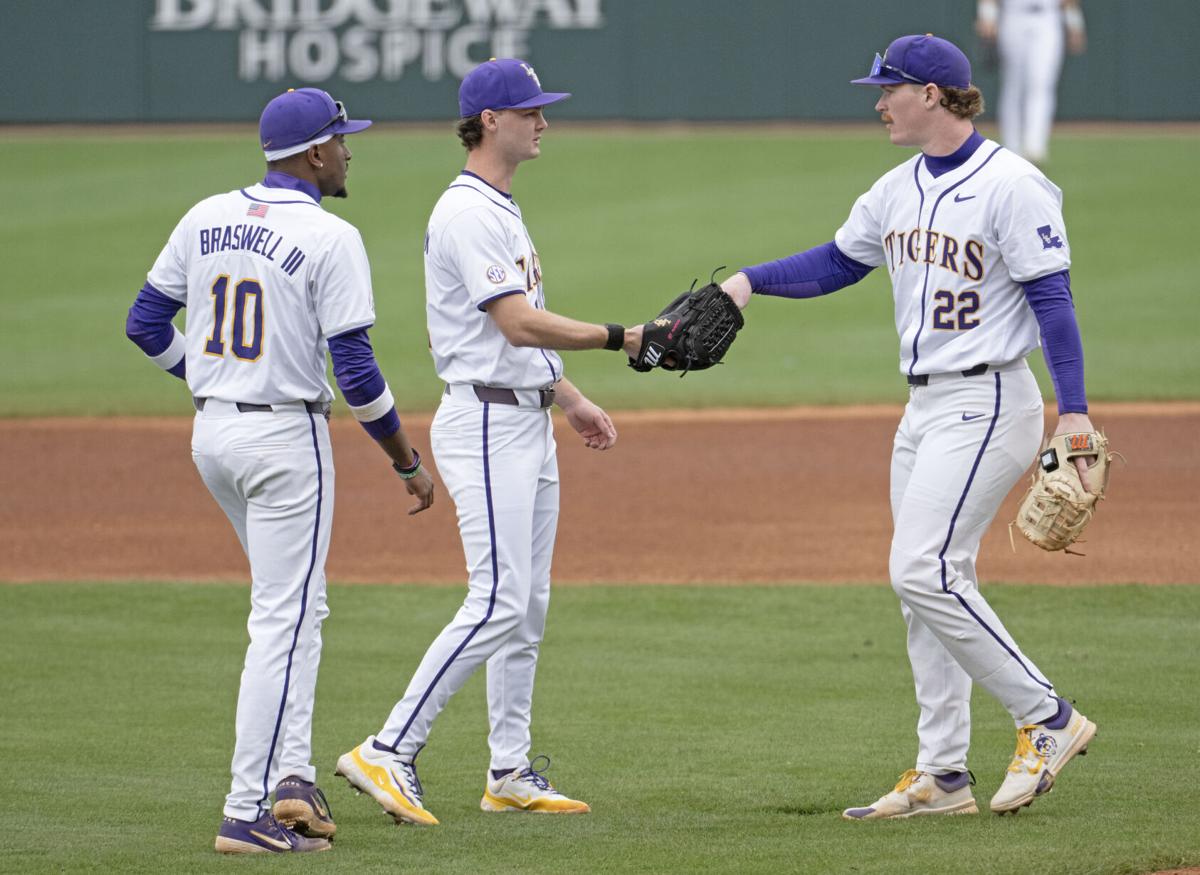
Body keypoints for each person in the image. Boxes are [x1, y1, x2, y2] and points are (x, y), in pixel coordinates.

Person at [719, 34, 1097, 820]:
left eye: (887, 89)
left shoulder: (1013, 185)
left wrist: (1075, 413)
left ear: (931, 93)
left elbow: (1053, 301)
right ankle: (942, 774)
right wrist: (749, 282)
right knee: (925, 587)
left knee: (922, 569)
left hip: (989, 400)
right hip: (923, 408)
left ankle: (1048, 716)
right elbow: (838, 262)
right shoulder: (896, 188)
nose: (878, 103)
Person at [124, 87, 435, 853]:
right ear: (315, 153)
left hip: (213, 438)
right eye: (343, 139)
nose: (350, 151)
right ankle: (245, 809)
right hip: (284, 444)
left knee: (300, 605)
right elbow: (356, 372)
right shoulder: (331, 235)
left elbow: (145, 322)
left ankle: (293, 777)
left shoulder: (204, 216)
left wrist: (210, 377)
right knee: (281, 619)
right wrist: (405, 458)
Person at [335, 58, 642, 824]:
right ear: (489, 121)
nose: (543, 121)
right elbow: (515, 323)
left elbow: (506, 334)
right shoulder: (468, 213)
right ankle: (388, 747)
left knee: (526, 605)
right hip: (482, 424)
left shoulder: (499, 207)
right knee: (499, 595)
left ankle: (508, 770)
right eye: (530, 111)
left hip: (523, 418)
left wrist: (567, 395)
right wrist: (620, 336)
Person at [976, 0, 1087, 163]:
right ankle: (1011, 147)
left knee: (1041, 83)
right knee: (1013, 86)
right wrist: (987, 16)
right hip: (1013, 14)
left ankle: (1035, 147)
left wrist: (1074, 23)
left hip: (1047, 17)